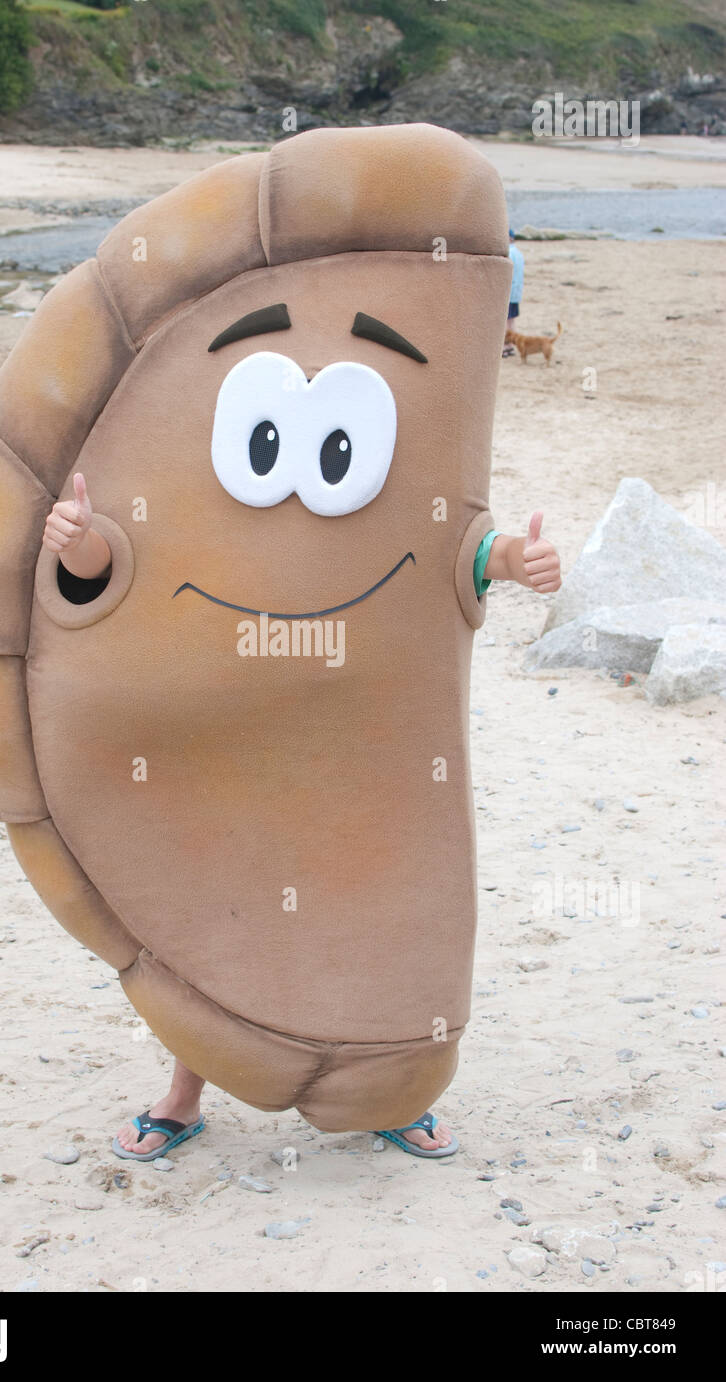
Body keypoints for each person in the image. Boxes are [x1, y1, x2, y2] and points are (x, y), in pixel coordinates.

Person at [42, 472, 562, 1159]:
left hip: (363, 750)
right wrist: (79, 547)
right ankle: (184, 1094)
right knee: (217, 923)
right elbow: (130, 566)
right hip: (237, 741)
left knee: (375, 921)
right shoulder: (218, 462)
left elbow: (459, 546)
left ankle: (394, 1098)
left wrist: (513, 562)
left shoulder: (391, 464)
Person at [503, 227, 524, 357]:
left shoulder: (509, 253)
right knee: (511, 321)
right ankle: (511, 345)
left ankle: (505, 346)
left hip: (509, 292)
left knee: (505, 321)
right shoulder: (519, 253)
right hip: (517, 292)